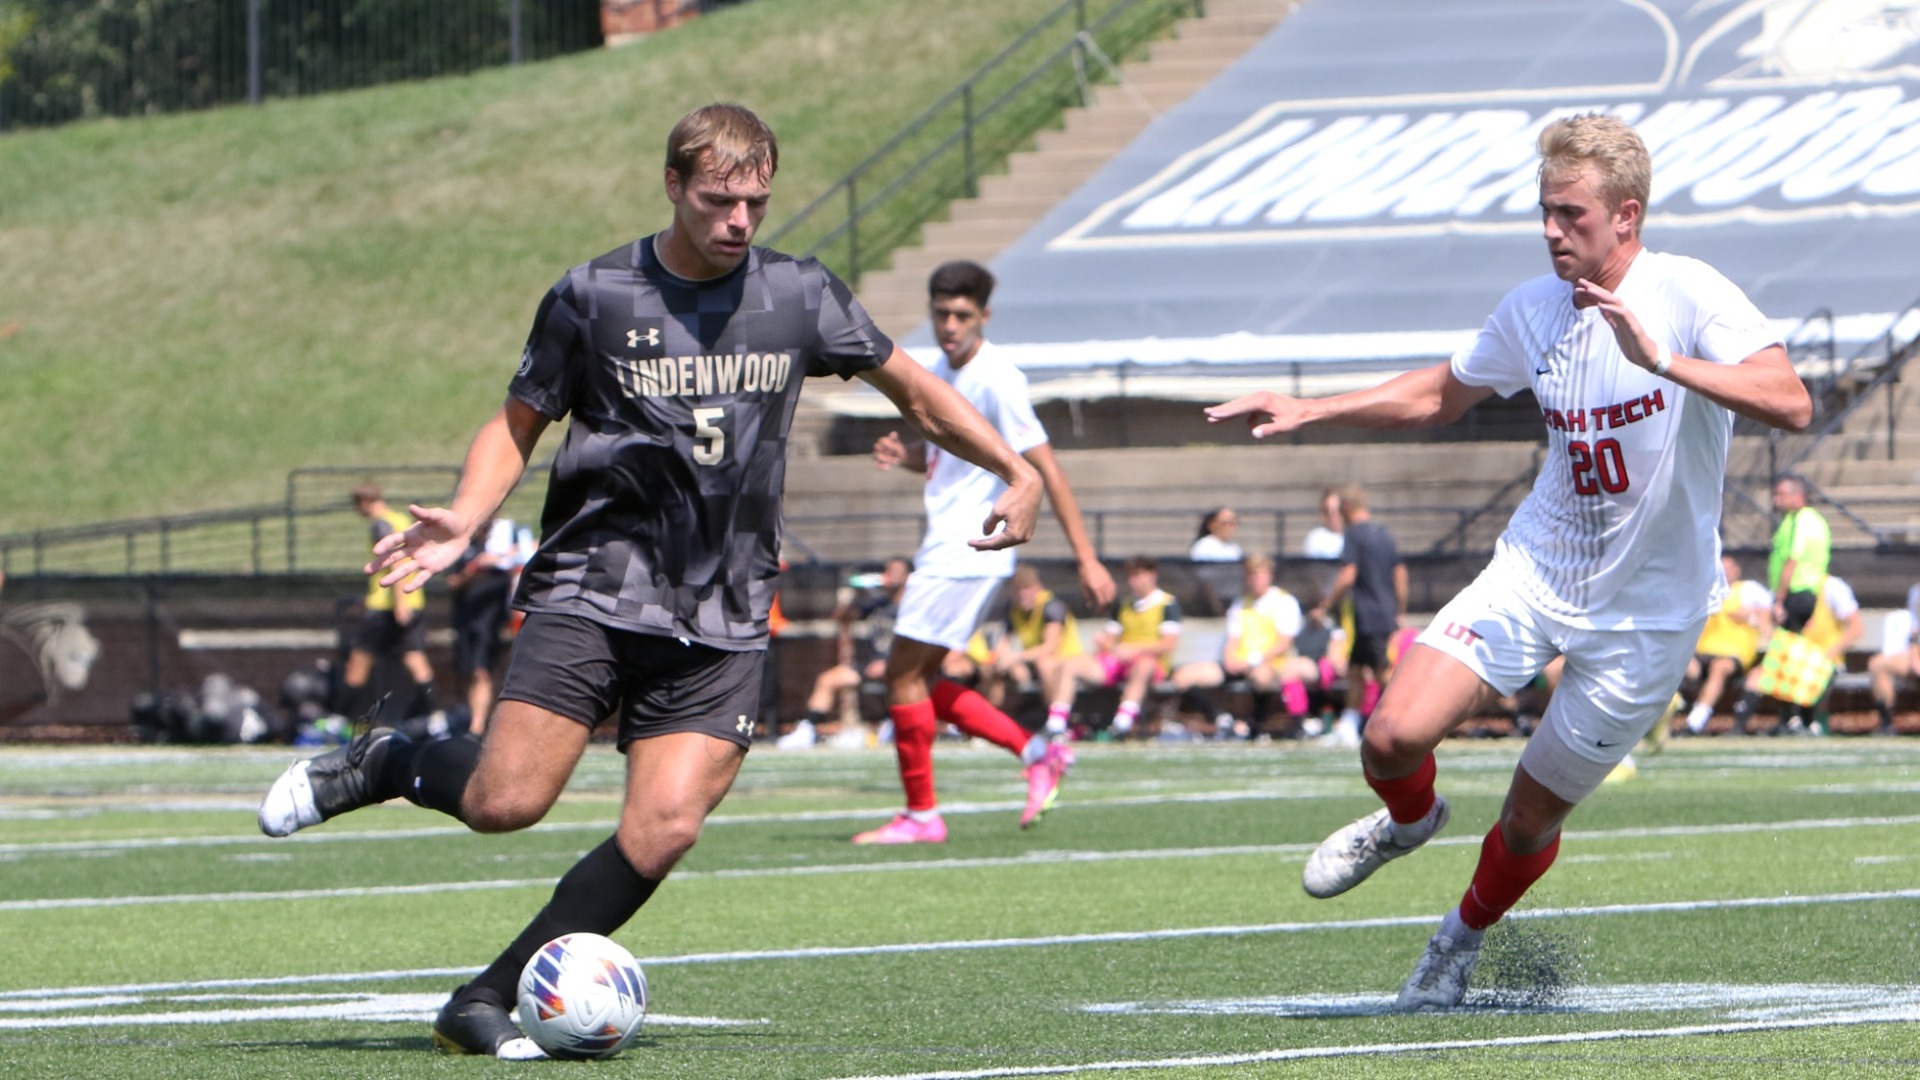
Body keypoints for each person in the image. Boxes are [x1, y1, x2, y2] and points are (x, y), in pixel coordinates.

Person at [255, 103, 1045, 1059]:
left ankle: (485, 996)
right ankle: (382, 763)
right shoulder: (594, 295)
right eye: (718, 200)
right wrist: (465, 516)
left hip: (727, 607)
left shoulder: (800, 294)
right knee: (506, 803)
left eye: (755, 201)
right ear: (673, 185)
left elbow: (918, 394)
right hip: (597, 585)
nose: (739, 221)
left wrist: (1018, 469)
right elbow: (517, 424)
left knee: (665, 828)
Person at [1206, 113, 1810, 1010]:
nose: (1551, 229)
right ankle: (1411, 820)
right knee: (1389, 736)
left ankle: (1458, 941)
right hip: (1537, 568)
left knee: (1529, 819)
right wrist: (1312, 406)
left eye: (1571, 214)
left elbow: (1789, 401)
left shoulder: (1688, 294)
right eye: (1545, 211)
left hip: (1649, 617)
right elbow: (1438, 396)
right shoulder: (1533, 309)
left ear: (1627, 217)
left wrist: (1666, 360)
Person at [852, 259, 1115, 845]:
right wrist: (912, 459)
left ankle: (923, 815)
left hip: (967, 546)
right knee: (920, 679)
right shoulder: (940, 370)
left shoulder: (998, 378)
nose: (950, 324)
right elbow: (956, 458)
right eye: (942, 313)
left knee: (900, 674)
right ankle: (1036, 752)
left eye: (962, 315)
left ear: (984, 316)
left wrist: (1087, 557)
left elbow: (1043, 469)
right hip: (949, 543)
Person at [1169, 554, 1316, 739]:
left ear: (1269, 575)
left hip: (1268, 662)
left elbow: (1284, 643)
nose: (1255, 579)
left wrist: (1253, 660)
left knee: (1261, 678)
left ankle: (1258, 725)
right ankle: (1221, 720)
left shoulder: (1284, 601)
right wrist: (1230, 659)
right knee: (1183, 677)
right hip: (1240, 664)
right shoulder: (1240, 604)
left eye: (1259, 574)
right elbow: (1232, 641)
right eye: (1251, 575)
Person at [1307, 484, 1405, 747]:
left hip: (1368, 614)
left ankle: (1412, 719)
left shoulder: (1355, 535)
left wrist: (1325, 605)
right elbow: (1400, 574)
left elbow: (1348, 575)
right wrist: (1400, 609)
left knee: (1382, 672)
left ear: (1347, 508)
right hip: (1381, 612)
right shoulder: (1383, 534)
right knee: (1355, 671)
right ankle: (1348, 726)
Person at [780, 556, 910, 750]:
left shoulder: (913, 606)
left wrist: (891, 662)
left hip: (905, 666)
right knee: (828, 679)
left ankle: (894, 725)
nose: (892, 576)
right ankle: (806, 730)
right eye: (889, 571)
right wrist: (853, 596)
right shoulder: (878, 603)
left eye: (897, 571)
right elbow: (842, 618)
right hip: (873, 665)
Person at [341, 482, 438, 725]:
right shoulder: (400, 520)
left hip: (388, 606)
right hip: (410, 599)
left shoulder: (381, 524)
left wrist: (398, 604)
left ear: (363, 502)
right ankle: (437, 717)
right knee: (414, 658)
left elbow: (394, 562)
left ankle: (340, 720)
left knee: (358, 660)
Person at [1732, 571, 1863, 735]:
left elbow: (1856, 629)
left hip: (1823, 659)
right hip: (1792, 658)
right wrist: (1754, 617)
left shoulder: (1832, 587)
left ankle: (1807, 722)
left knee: (1802, 676)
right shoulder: (1783, 589)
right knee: (1757, 676)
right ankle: (1739, 729)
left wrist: (1825, 656)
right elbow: (1771, 630)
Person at [980, 564, 1094, 737]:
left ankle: (1057, 723)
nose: (1022, 595)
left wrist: (1016, 657)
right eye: (1018, 590)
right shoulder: (1014, 609)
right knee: (995, 669)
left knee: (1044, 664)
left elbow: (1049, 647)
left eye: (1026, 589)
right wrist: (999, 659)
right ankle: (989, 724)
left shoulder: (1052, 607)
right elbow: (1004, 642)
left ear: (1037, 588)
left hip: (1064, 660)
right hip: (1032, 661)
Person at [1089, 555, 1183, 739]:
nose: (1133, 581)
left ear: (1152, 575)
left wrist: (1134, 649)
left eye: (1138, 575)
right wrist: (1105, 643)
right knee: (1071, 665)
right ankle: (1057, 724)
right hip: (1120, 663)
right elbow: (1111, 640)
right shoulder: (1123, 605)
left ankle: (1122, 724)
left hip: (1152, 666)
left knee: (1143, 665)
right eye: (1131, 576)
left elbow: (1168, 645)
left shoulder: (1167, 603)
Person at [444, 518, 523, 735]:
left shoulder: (504, 552)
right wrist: (473, 569)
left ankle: (477, 726)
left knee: (482, 672)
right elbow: (452, 582)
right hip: (465, 619)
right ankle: (468, 719)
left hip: (490, 623)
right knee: (467, 672)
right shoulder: (464, 549)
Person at [1680, 554, 1771, 735]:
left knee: (1719, 667)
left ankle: (1696, 721)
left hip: (1733, 654)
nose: (1723, 573)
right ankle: (1663, 715)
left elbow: (1767, 629)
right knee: (1676, 663)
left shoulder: (1749, 592)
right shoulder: (1705, 593)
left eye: (1727, 569)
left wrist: (1751, 618)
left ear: (1737, 571)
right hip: (1703, 652)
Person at [1768, 474, 1830, 634]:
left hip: (1796, 592)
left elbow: (1793, 559)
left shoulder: (1801, 520)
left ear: (1797, 496)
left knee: (1786, 648)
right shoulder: (1814, 519)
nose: (1776, 500)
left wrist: (1779, 600)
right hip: (1807, 591)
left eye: (1781, 494)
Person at [1867, 582, 1920, 736]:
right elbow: (1913, 636)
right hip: (1912, 658)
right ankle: (1886, 723)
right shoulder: (1915, 596)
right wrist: (1914, 659)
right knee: (1877, 664)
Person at [1188, 507, 1245, 615]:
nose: (1230, 527)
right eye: (1225, 523)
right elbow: (1206, 583)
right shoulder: (1204, 547)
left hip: (1233, 602)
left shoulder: (1235, 549)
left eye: (1233, 523)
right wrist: (1218, 610)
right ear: (1211, 525)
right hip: (1210, 606)